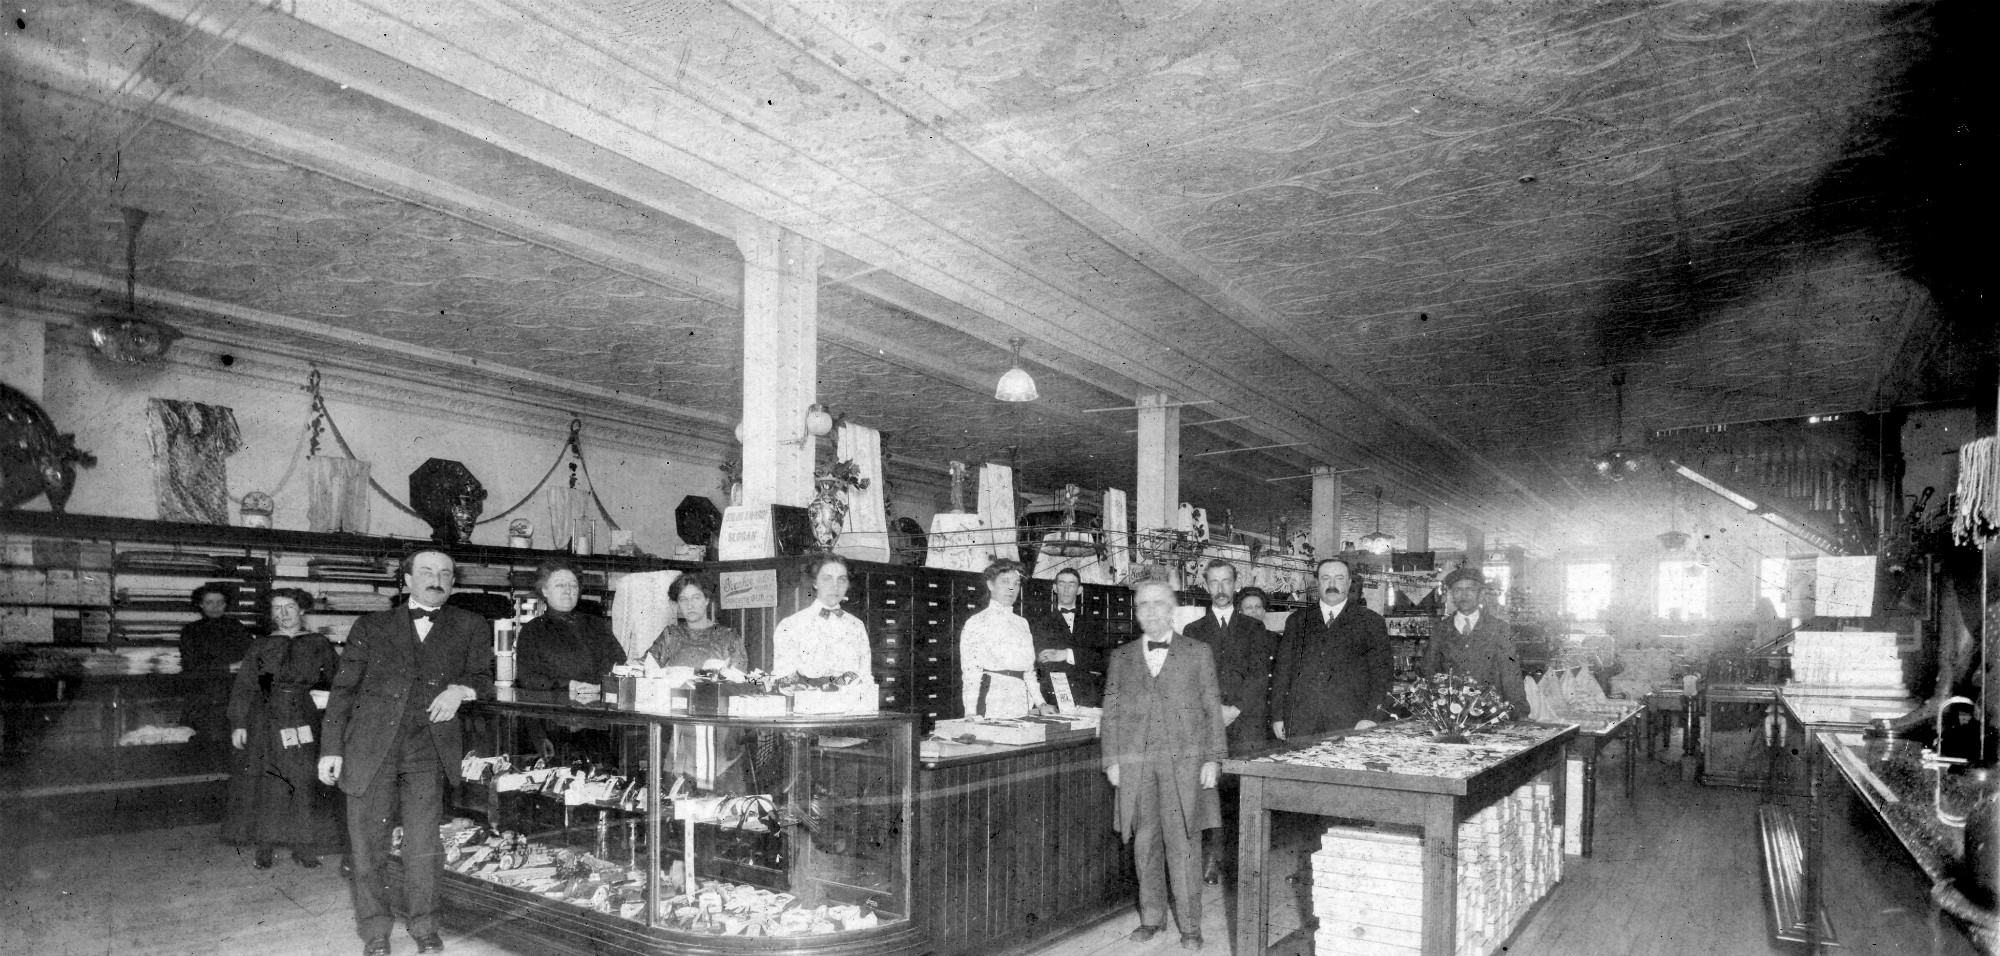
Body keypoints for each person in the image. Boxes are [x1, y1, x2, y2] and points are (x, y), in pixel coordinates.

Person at [319, 549, 494, 956]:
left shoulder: (470, 625)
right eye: (427, 571)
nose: (437, 579)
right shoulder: (372, 624)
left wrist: (460, 689)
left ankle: (425, 928)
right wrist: (331, 749)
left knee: (423, 845)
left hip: (427, 751)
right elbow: (343, 690)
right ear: (407, 579)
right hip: (368, 749)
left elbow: (484, 678)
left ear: (454, 582)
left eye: (446, 573)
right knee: (367, 845)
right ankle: (376, 933)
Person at [1102, 579, 1226, 951]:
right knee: (1146, 844)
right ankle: (1152, 918)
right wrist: (1112, 760)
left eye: (1158, 604)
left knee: (1184, 844)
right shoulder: (1121, 657)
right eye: (1143, 605)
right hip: (1138, 767)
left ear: (1172, 609)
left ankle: (1190, 926)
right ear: (1136, 612)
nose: (1151, 611)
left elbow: (1211, 709)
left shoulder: (1197, 651)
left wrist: (1213, 759)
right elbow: (1111, 712)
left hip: (1185, 767)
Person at [222, 588, 343, 870]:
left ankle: (304, 846)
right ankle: (265, 847)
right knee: (269, 781)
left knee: (303, 781)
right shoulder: (262, 645)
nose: (283, 614)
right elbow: (247, 685)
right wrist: (239, 723)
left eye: (289, 607)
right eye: (277, 608)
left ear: (301, 610)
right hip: (266, 718)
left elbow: (339, 682)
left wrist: (326, 703)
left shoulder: (318, 643)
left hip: (304, 716)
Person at [1180, 559, 1274, 885]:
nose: (1220, 588)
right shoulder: (1193, 631)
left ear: (1235, 584)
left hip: (1244, 724)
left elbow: (1260, 678)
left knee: (1242, 795)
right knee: (1210, 794)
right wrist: (1212, 712)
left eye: (1226, 581)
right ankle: (1213, 857)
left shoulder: (1253, 629)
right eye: (1214, 582)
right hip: (1208, 724)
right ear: (1206, 586)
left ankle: (1241, 864)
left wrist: (1236, 709)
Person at [1270, 557, 1393, 740]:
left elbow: (1382, 677)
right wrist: (1277, 716)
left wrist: (1372, 717)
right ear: (1317, 582)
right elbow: (1283, 672)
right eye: (1326, 578)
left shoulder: (1371, 622)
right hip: (1300, 723)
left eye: (1339, 578)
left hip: (1351, 723)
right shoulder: (1297, 621)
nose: (1332, 584)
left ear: (1349, 583)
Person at [1424, 567, 1529, 718]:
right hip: (1451, 714)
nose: (1464, 595)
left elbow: (1510, 675)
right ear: (1452, 594)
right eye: (1458, 590)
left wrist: (1519, 712)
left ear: (1481, 594)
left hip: (1491, 714)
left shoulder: (1499, 628)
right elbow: (1429, 671)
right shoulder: (1440, 629)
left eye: (1470, 589)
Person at [513, 560, 624, 693]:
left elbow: (620, 666)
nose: (568, 591)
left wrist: (601, 688)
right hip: (555, 706)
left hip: (598, 703)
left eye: (573, 585)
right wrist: (568, 685)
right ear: (545, 591)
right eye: (560, 585)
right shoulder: (533, 630)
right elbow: (527, 678)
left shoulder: (598, 625)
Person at [958, 559, 1048, 718]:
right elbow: (971, 672)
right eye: (1005, 581)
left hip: (1021, 699)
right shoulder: (976, 622)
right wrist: (970, 712)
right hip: (992, 699)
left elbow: (1029, 671)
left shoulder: (1022, 623)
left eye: (1017, 583)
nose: (1012, 588)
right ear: (990, 585)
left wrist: (1041, 704)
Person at [770, 554, 872, 684]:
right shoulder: (791, 625)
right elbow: (784, 678)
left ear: (848, 584)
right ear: (815, 583)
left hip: (848, 701)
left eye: (842, 579)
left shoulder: (856, 625)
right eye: (827, 579)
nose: (835, 586)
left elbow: (866, 677)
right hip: (809, 700)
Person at [180, 582, 253, 756]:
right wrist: (228, 668)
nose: (215, 607)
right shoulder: (191, 631)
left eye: (220, 602)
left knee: (238, 745)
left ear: (226, 604)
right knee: (208, 748)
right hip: (204, 696)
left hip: (234, 693)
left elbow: (252, 654)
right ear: (200, 604)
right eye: (209, 602)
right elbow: (191, 667)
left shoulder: (236, 627)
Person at [1026, 567, 1107, 707]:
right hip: (1053, 696)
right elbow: (1041, 660)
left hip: (1086, 697)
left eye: (1072, 584)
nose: (1066, 589)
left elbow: (1101, 659)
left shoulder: (1093, 623)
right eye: (1062, 584)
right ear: (1054, 588)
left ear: (1080, 590)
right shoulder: (1040, 623)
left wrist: (1067, 654)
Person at [643, 574, 748, 670]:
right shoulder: (670, 635)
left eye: (696, 598)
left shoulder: (728, 637)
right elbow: (644, 664)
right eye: (683, 599)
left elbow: (738, 679)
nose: (690, 605)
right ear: (678, 604)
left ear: (706, 600)